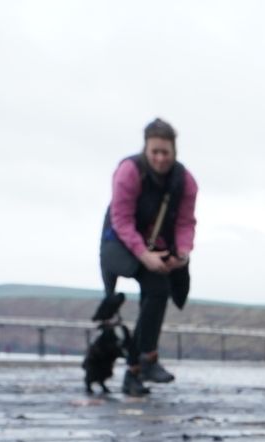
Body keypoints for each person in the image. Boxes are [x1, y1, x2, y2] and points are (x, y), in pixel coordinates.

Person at [100, 118, 198, 397]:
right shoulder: (129, 172)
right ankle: (144, 360)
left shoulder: (185, 180)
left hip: (159, 241)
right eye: (154, 151)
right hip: (120, 241)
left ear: (174, 151)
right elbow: (121, 219)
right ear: (145, 148)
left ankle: (137, 369)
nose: (159, 158)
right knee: (154, 282)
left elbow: (185, 221)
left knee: (158, 290)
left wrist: (183, 252)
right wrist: (144, 255)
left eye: (165, 152)